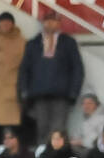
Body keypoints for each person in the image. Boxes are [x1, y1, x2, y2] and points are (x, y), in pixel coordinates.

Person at [19, 11, 84, 145]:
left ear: (59, 23)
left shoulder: (68, 42)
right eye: (48, 20)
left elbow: (78, 69)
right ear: (43, 23)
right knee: (42, 129)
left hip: (61, 96)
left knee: (58, 130)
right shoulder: (33, 43)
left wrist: (73, 92)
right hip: (39, 95)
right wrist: (24, 91)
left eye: (54, 21)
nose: (51, 24)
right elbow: (24, 70)